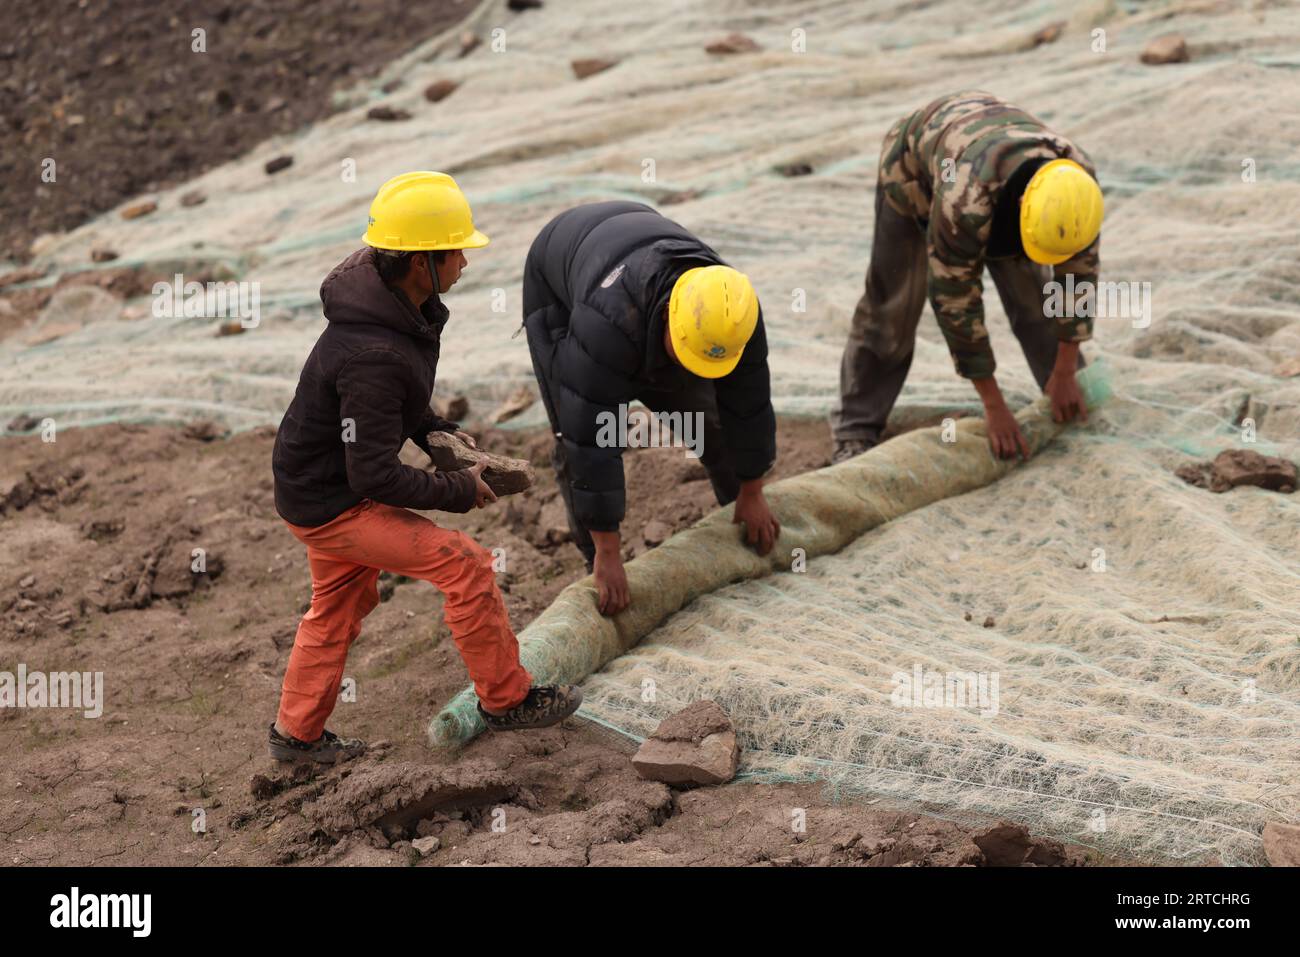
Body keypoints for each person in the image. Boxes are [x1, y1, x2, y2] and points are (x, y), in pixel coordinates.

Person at [268, 171, 581, 763]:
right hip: (335, 503)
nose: (465, 259)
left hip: (310, 487)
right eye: (455, 249)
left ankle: (296, 736)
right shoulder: (375, 351)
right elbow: (373, 477)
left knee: (338, 606)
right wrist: (458, 487)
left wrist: (435, 431)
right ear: (419, 261)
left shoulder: (393, 312)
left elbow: (391, 405)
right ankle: (506, 699)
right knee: (464, 563)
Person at [522, 201, 781, 615]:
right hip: (560, 283)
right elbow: (589, 437)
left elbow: (747, 402)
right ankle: (599, 567)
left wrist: (752, 489)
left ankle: (738, 516)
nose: (690, 368)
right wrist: (609, 549)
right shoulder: (602, 329)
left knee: (705, 419)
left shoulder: (735, 313)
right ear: (668, 320)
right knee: (576, 435)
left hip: (632, 249)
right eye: (686, 354)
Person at [830, 91, 1104, 463]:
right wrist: (994, 407)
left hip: (996, 166)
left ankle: (1063, 395)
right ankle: (855, 429)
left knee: (1035, 299)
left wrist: (1067, 370)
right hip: (915, 172)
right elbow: (956, 302)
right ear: (1022, 209)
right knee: (893, 308)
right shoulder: (966, 202)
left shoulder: (1076, 189)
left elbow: (1077, 281)